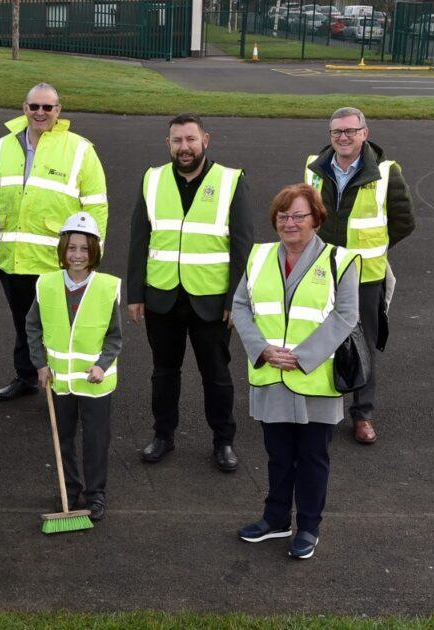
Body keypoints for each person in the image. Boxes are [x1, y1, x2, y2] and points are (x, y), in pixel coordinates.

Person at [232, 184, 360, 560]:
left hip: (314, 379)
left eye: (298, 215)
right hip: (270, 373)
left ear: (316, 219)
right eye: (283, 216)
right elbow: (241, 306)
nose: (289, 223)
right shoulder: (257, 258)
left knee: (313, 457)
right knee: (277, 455)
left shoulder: (340, 260)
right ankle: (275, 520)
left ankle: (308, 526)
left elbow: (346, 315)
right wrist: (261, 349)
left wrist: (303, 357)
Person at [126, 113, 254, 472]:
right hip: (162, 296)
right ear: (168, 144)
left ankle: (223, 441)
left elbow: (242, 247)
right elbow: (139, 240)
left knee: (216, 374)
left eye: (191, 140)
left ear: (205, 141)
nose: (185, 147)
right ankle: (163, 435)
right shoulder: (152, 180)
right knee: (164, 372)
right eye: (177, 141)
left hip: (211, 302)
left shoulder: (230, 181)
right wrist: (135, 293)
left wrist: (235, 300)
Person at [0, 83, 108, 402]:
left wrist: (92, 254)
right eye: (34, 106)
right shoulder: (0, 147)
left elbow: (96, 204)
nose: (40, 113)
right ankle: (26, 377)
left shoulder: (80, 148)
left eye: (47, 107)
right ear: (24, 108)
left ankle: (67, 386)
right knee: (25, 324)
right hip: (11, 258)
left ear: (59, 111)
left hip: (56, 261)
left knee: (60, 327)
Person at [304, 107, 414, 445]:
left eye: (350, 131)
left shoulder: (385, 173)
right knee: (321, 338)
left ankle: (363, 414)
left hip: (365, 276)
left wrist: (375, 248)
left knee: (362, 344)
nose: (343, 137)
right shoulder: (313, 169)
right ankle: (323, 408)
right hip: (323, 272)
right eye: (336, 131)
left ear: (364, 133)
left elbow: (403, 222)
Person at [27, 212, 122, 521]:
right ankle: (69, 488)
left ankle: (96, 495)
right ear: (63, 250)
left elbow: (114, 338)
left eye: (84, 248)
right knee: (62, 437)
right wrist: (40, 365)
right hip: (58, 380)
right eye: (72, 248)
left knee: (96, 439)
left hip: (95, 382)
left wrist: (102, 365)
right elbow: (33, 327)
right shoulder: (47, 284)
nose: (77, 255)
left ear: (93, 251)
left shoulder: (107, 287)